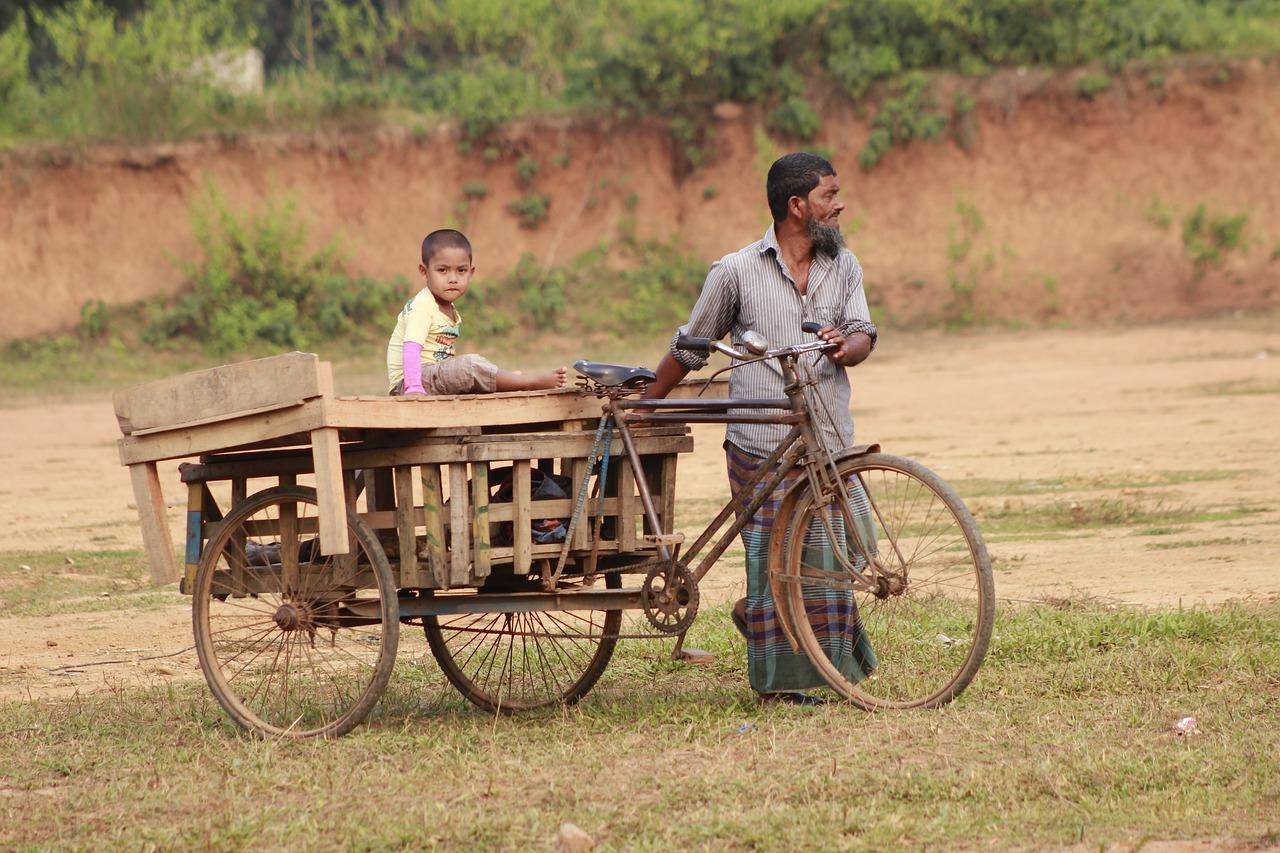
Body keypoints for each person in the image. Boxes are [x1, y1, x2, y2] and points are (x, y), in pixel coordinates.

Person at [643, 152, 878, 705]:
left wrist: (846, 347)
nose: (839, 205)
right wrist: (648, 403)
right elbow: (692, 346)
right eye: (829, 195)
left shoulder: (844, 265)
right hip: (761, 441)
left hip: (827, 436)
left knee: (842, 553)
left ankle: (801, 645)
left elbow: (863, 332)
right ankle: (783, 682)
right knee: (775, 564)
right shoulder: (736, 271)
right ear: (797, 206)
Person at [387, 229, 567, 395]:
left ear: (471, 273)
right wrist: (413, 389)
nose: (453, 279)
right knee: (470, 366)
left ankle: (506, 381)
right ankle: (526, 382)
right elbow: (411, 349)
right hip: (410, 382)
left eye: (461, 271)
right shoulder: (423, 307)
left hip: (433, 378)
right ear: (424, 272)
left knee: (469, 369)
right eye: (442, 270)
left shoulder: (446, 306)